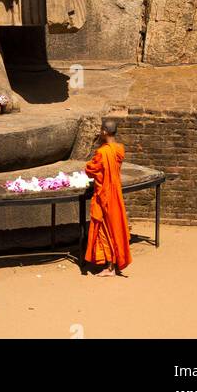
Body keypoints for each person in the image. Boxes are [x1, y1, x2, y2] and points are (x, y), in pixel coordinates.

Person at [85, 118, 132, 276]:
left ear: (104, 132)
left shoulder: (102, 152)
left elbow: (91, 169)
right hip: (116, 192)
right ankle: (113, 263)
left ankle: (110, 268)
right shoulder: (119, 149)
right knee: (115, 227)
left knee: (106, 229)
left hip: (105, 195)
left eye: (101, 130)